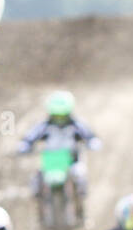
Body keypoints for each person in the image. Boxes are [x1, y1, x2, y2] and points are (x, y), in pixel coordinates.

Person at [16, 91, 101, 222]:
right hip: (51, 164)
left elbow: (90, 136)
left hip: (72, 162)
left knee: (79, 176)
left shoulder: (76, 125)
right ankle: (41, 215)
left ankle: (81, 212)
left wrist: (93, 143)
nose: (59, 119)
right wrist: (24, 146)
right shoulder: (44, 126)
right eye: (56, 115)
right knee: (36, 181)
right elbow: (30, 137)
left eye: (62, 115)